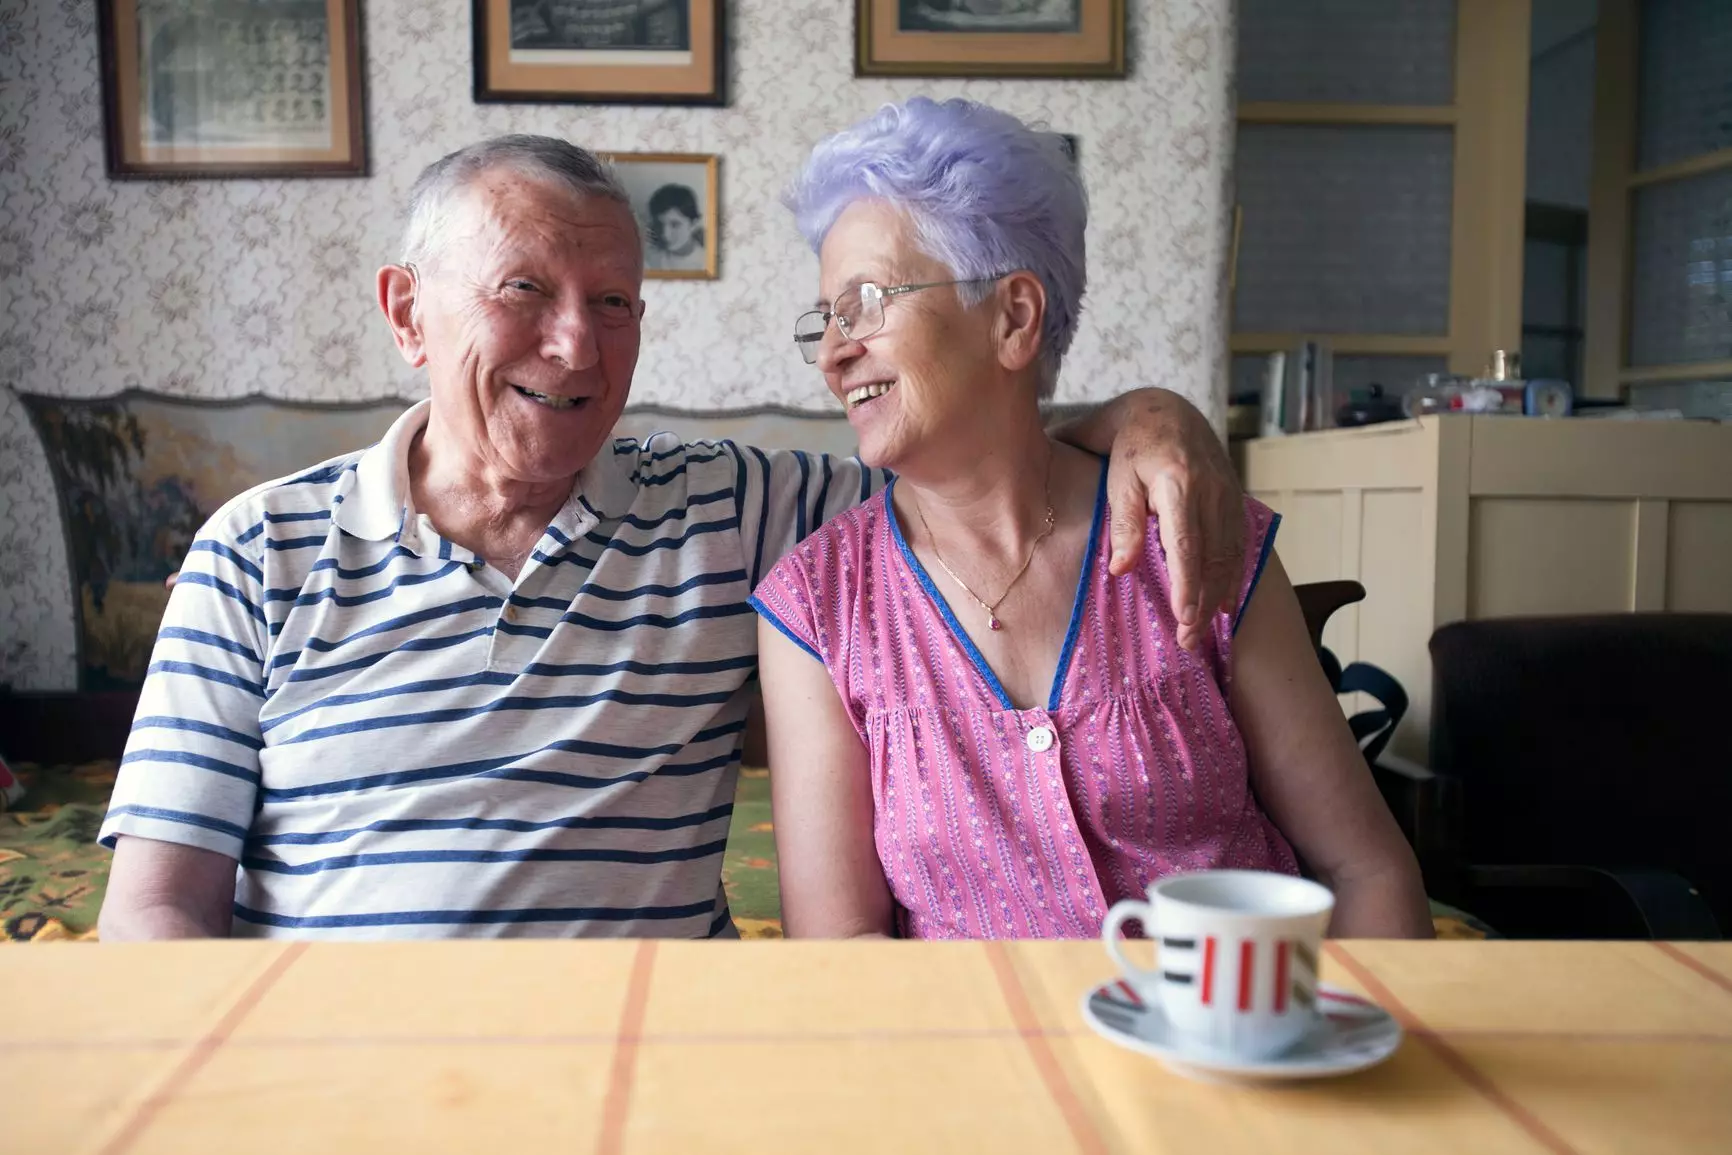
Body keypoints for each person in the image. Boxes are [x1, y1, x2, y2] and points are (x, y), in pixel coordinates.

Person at [96, 134, 1245, 940]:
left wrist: (1147, 416)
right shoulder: (258, 550)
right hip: (349, 1080)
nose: (577, 347)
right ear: (408, 312)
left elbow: (968, 460)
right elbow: (154, 909)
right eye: (524, 291)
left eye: (613, 304)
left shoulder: (737, 512)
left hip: (651, 1065)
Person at [750, 99, 1432, 941]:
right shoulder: (817, 605)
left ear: (1015, 317)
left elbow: (1363, 867)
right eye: (826, 319)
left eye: (864, 304)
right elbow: (840, 950)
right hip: (983, 1059)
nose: (833, 350)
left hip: (1230, 1039)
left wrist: (1339, 1050)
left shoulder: (1190, 531)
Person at [645, 183, 706, 272]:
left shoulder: (706, 263)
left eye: (675, 225)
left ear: (694, 224)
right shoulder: (649, 258)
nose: (665, 234)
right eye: (659, 224)